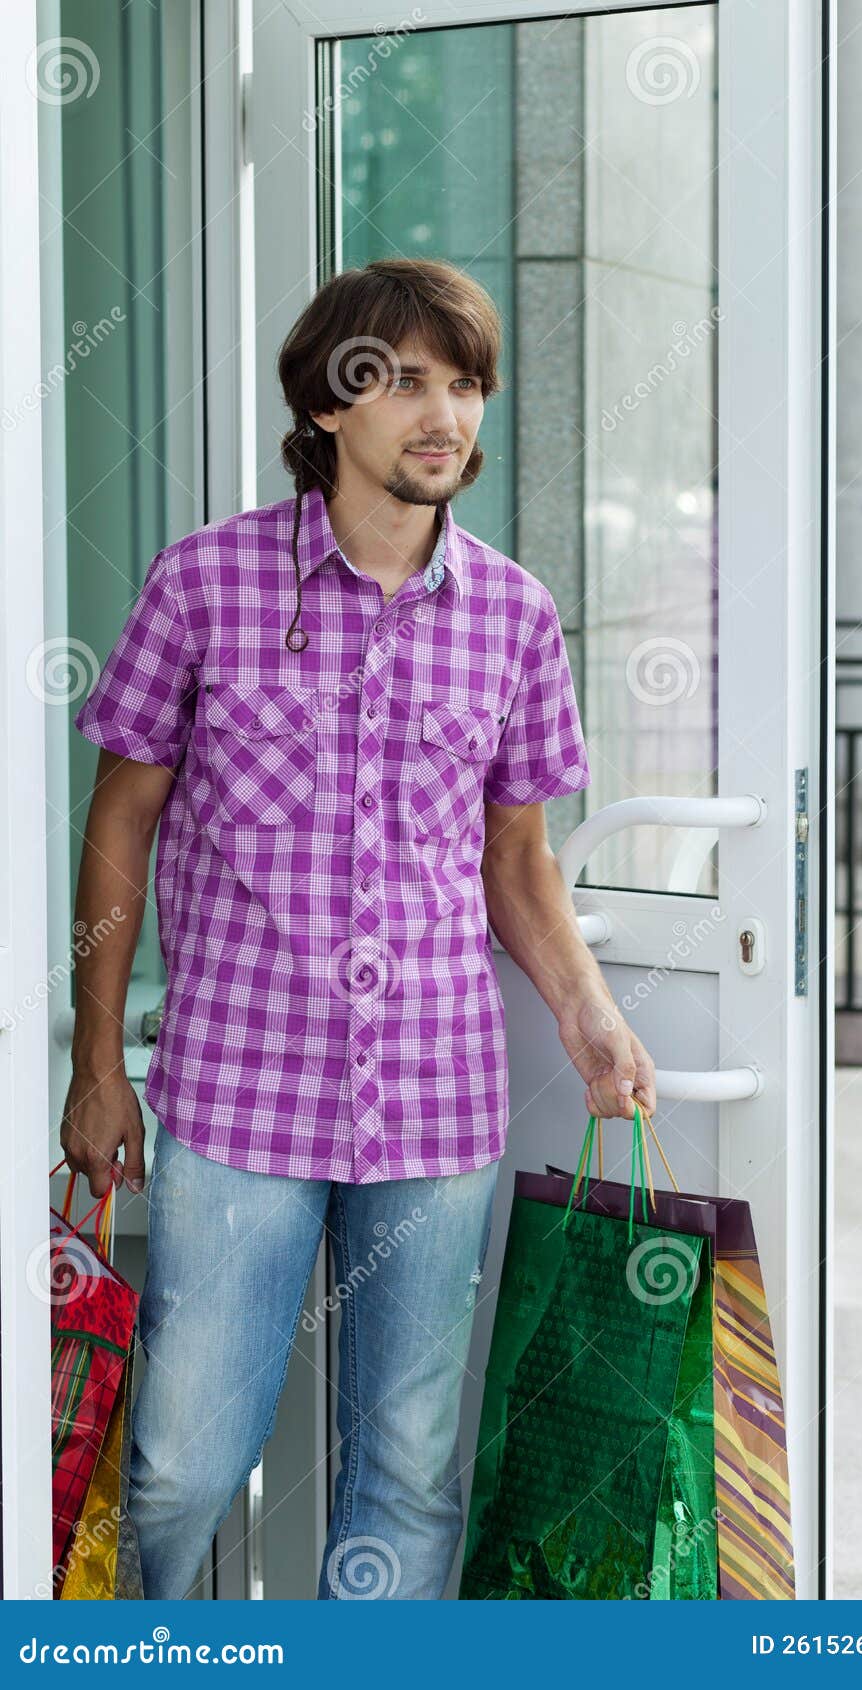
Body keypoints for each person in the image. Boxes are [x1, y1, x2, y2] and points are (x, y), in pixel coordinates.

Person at [62, 257, 657, 1600]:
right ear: (327, 405)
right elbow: (119, 820)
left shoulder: (514, 614)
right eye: (403, 383)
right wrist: (98, 1063)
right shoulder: (204, 584)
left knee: (409, 1470)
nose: (444, 416)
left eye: (466, 385)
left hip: (437, 1103)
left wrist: (590, 1014)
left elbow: (517, 857)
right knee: (180, 1464)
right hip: (238, 1096)